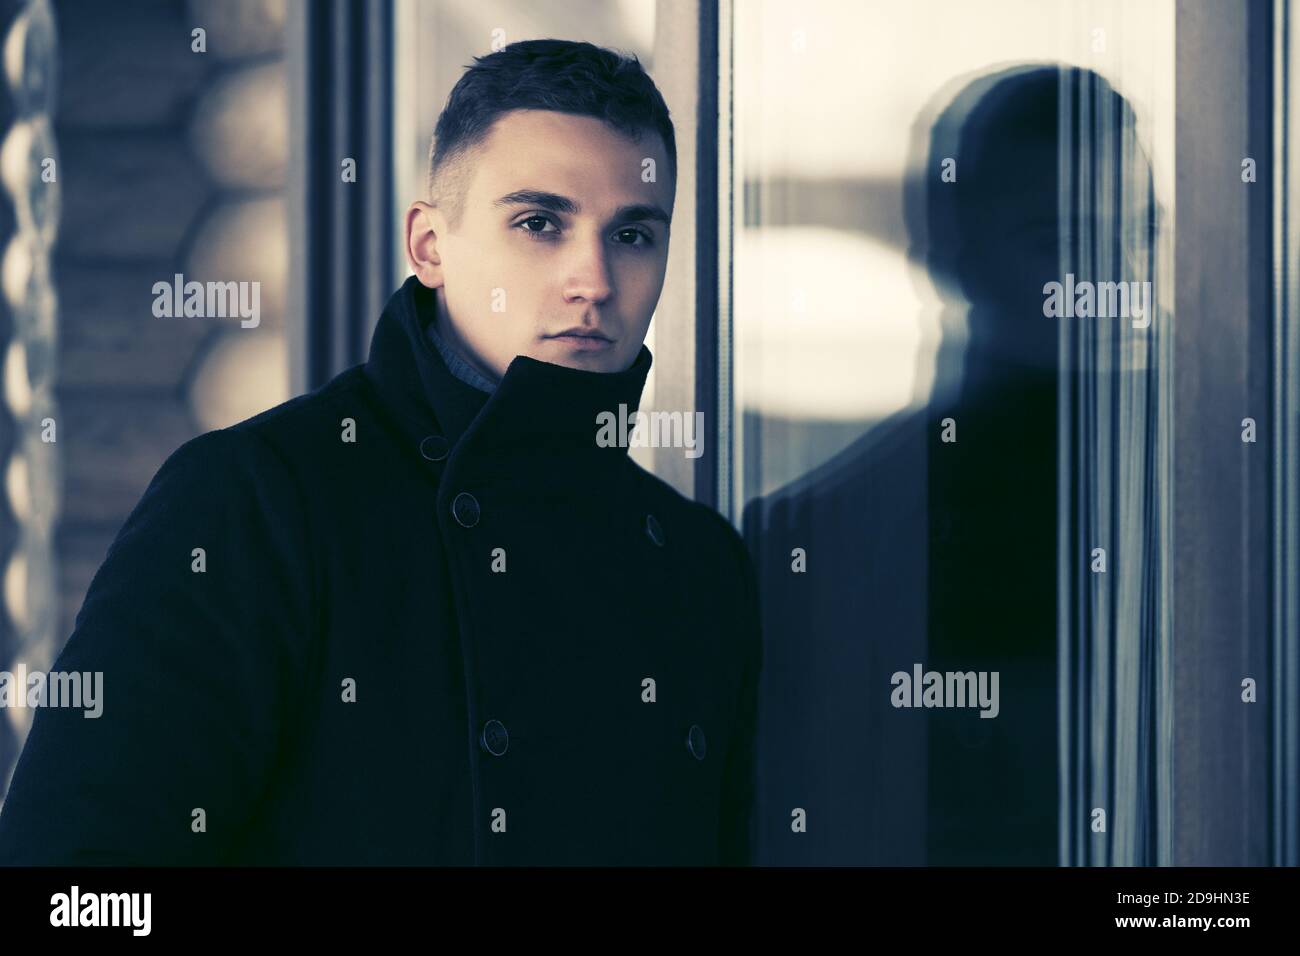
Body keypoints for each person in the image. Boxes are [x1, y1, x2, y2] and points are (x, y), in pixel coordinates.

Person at [0, 38, 761, 866]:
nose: (594, 279)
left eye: (634, 235)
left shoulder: (696, 566)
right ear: (430, 246)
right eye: (539, 224)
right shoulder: (257, 501)